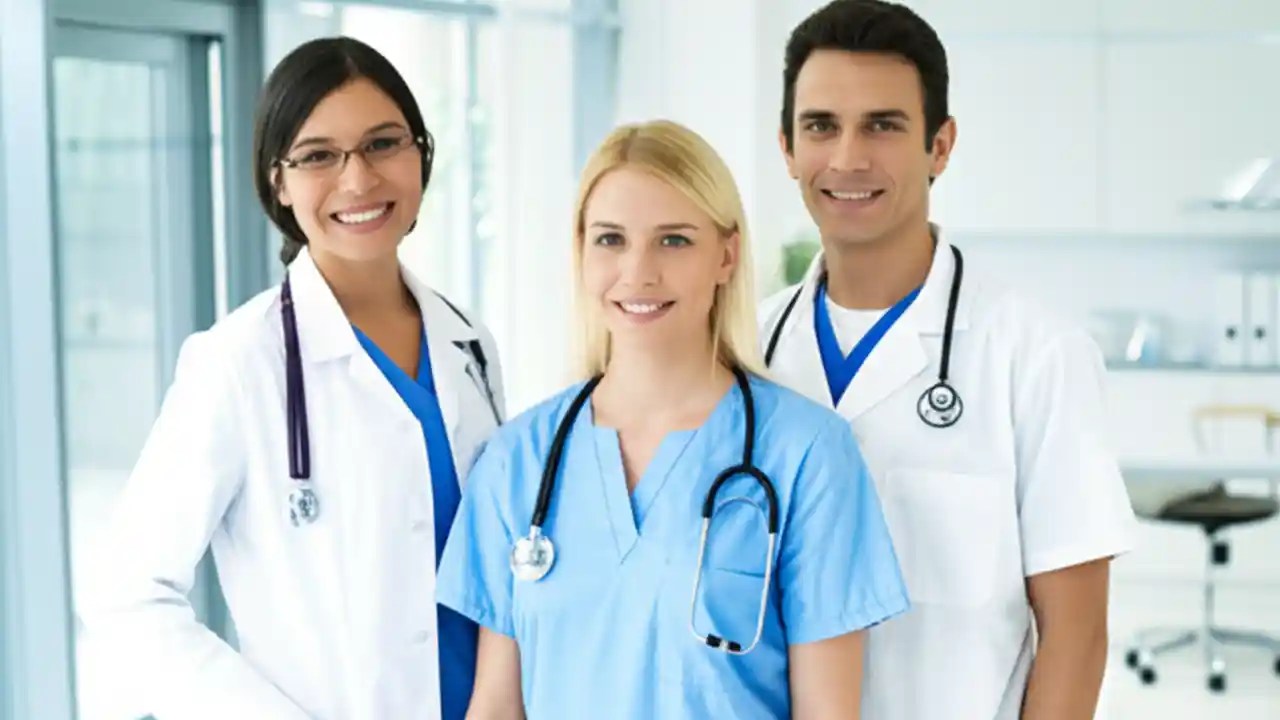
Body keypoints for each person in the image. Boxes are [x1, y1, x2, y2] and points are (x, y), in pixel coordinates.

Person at [75, 37, 504, 720]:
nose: (358, 180)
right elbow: (126, 595)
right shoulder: (238, 362)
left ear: (421, 153)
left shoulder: (467, 340)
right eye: (317, 156)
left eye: (383, 143)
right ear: (278, 180)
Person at [435, 119, 909, 719]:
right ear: (580, 252)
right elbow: (497, 708)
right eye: (611, 240)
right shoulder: (517, 460)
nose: (638, 272)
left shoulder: (807, 454)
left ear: (726, 254)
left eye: (674, 240)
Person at [761, 2, 1138, 718]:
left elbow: (1076, 635)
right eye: (821, 127)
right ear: (786, 148)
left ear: (940, 146)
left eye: (883, 125)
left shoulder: (1036, 356)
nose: (846, 159)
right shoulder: (748, 350)